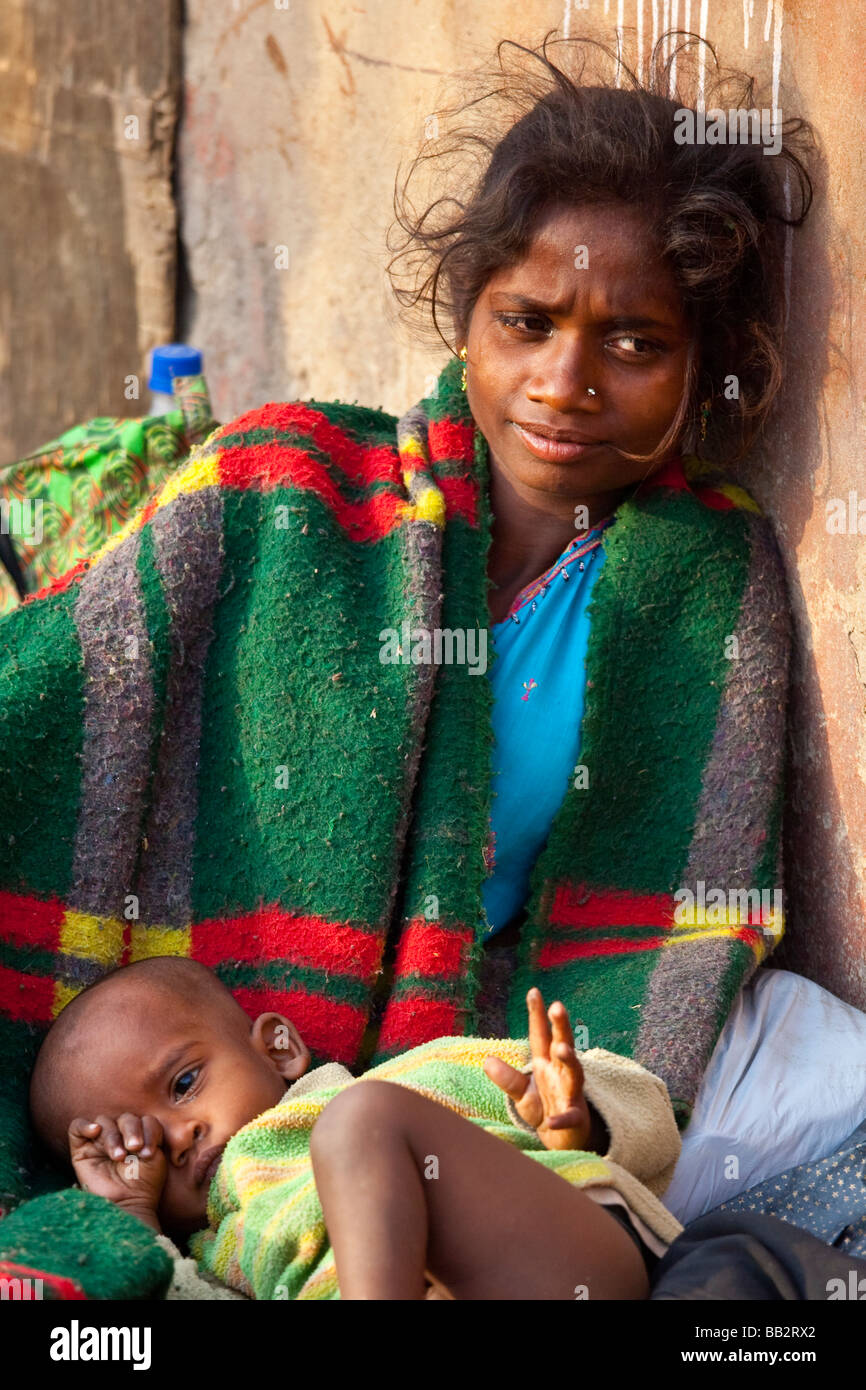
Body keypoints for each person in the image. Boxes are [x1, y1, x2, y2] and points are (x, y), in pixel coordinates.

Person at [0, 31, 819, 1295]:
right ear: (467, 311)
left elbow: (671, 911)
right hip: (266, 1079)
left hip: (480, 1078)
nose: (564, 382)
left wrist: (569, 1100)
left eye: (633, 343)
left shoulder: (703, 580)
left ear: (700, 365)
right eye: (527, 321)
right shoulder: (288, 490)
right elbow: (72, 681)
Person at [29, 956, 683, 1300]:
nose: (178, 1137)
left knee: (359, 1127)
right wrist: (132, 1219)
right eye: (144, 1144)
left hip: (549, 1269)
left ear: (278, 1048)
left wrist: (577, 1120)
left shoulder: (401, 1085)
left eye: (183, 1084)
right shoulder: (222, 1250)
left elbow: (653, 1109)